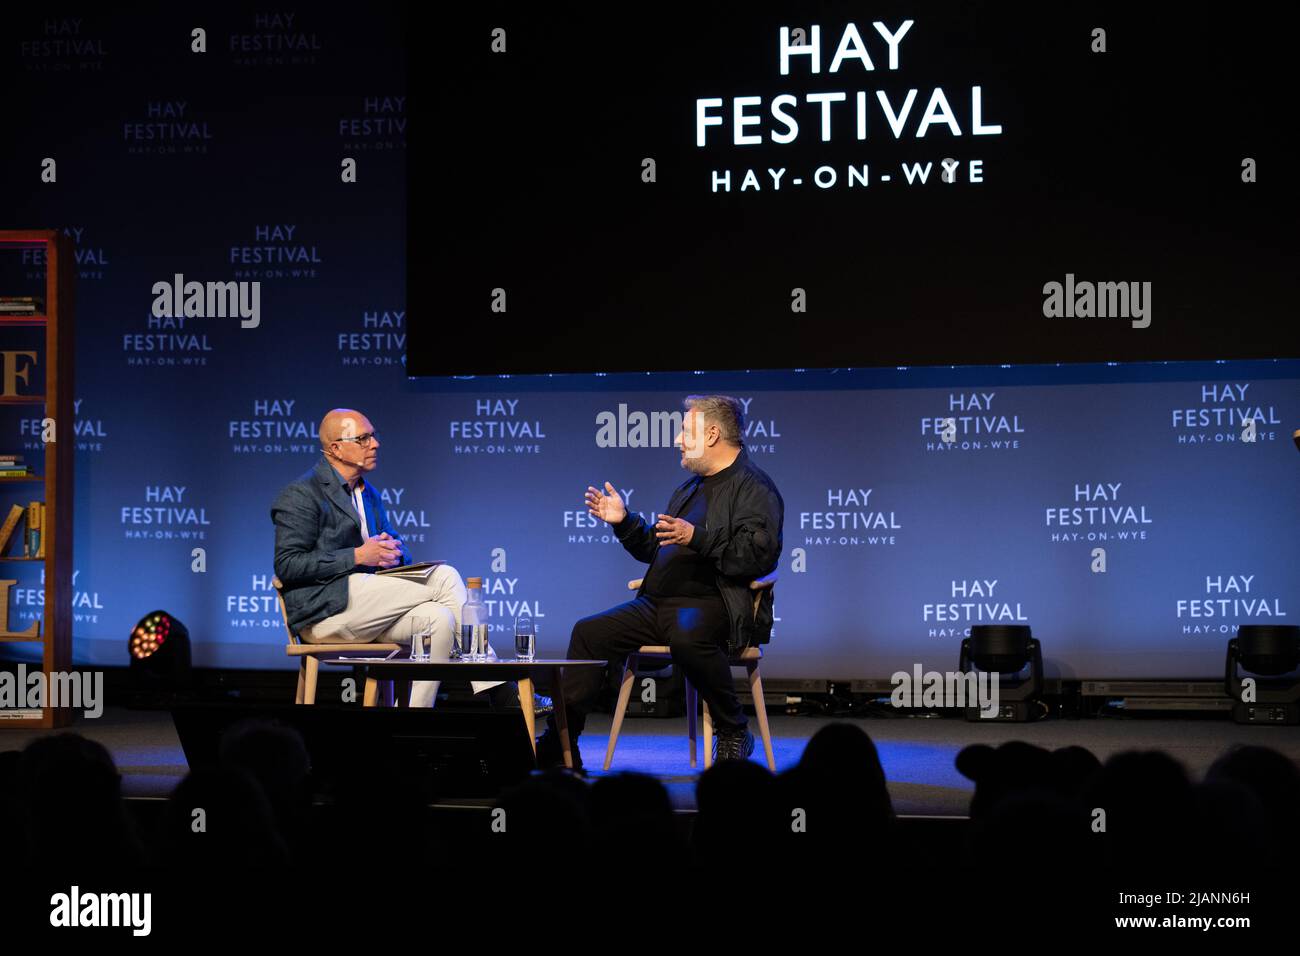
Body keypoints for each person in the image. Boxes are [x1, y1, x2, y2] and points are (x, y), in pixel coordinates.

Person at [536, 395, 783, 767]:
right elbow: (656, 547)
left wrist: (696, 537)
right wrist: (624, 522)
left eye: (685, 432)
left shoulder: (754, 487)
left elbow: (757, 555)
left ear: (713, 434)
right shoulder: (690, 488)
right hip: (656, 604)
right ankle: (563, 741)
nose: (677, 440)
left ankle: (733, 729)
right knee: (589, 633)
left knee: (687, 635)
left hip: (714, 604)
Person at [271, 408, 513, 707]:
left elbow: (395, 545)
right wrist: (359, 555)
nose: (375, 444)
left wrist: (392, 552)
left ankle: (412, 724)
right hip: (325, 611)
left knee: (439, 618)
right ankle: (499, 689)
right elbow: (288, 564)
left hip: (368, 608)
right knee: (445, 577)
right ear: (335, 448)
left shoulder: (368, 493)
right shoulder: (301, 494)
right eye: (363, 438)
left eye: (373, 436)